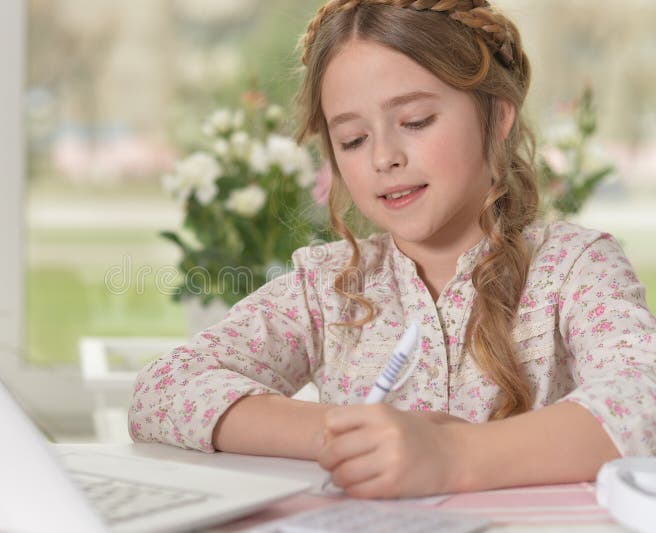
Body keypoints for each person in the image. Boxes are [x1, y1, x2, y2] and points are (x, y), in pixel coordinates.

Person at [129, 0, 656, 499]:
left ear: (497, 116)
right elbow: (162, 391)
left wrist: (453, 455)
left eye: (416, 122)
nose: (383, 157)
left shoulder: (573, 269)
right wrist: (354, 438)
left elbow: (643, 400)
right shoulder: (330, 287)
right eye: (353, 139)